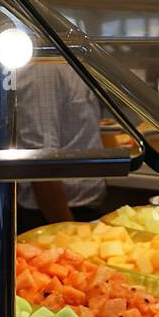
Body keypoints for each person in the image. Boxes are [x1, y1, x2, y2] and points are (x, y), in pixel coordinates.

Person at [14, 60, 107, 232]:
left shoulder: (71, 61)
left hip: (80, 211)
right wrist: (68, 232)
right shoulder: (43, 68)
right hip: (54, 216)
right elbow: (41, 161)